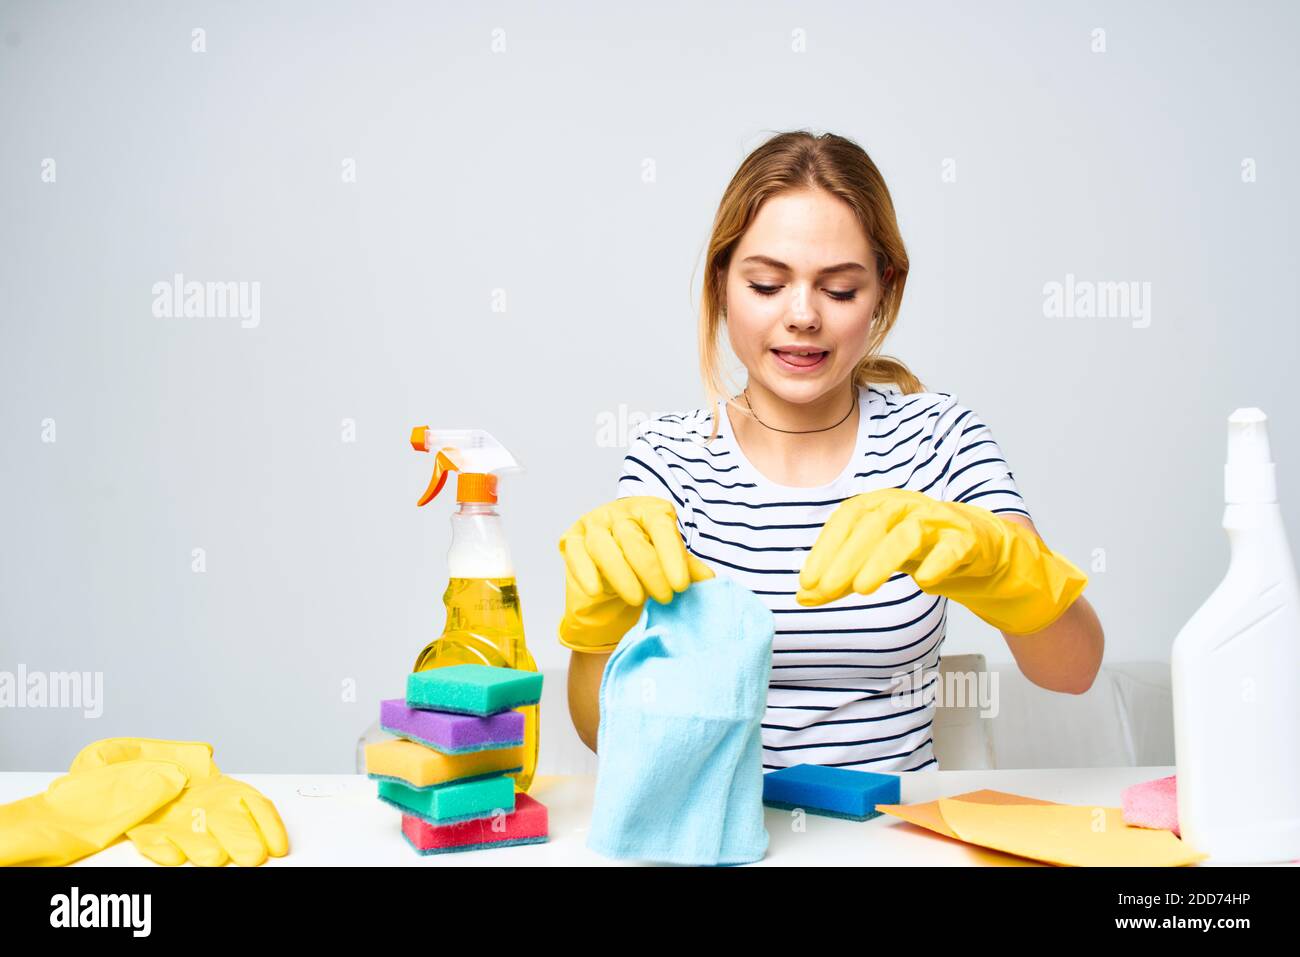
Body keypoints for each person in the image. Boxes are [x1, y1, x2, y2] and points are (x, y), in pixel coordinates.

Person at [559, 130, 1103, 773]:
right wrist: (598, 633)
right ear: (721, 283)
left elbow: (1073, 672)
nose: (803, 316)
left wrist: (1004, 568)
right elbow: (606, 736)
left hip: (896, 840)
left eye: (840, 290)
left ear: (883, 291)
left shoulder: (940, 438)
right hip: (722, 839)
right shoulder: (667, 458)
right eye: (765, 285)